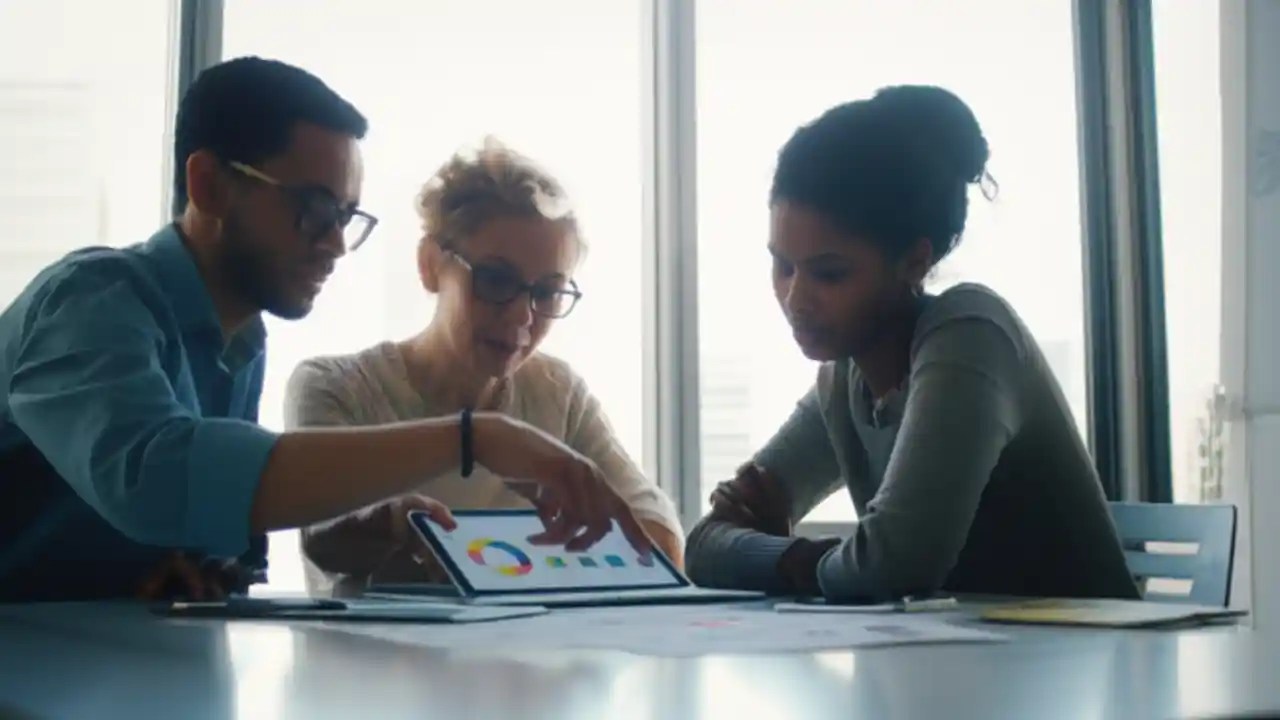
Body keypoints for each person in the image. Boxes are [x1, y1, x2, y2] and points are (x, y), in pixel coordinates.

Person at [0, 57, 650, 603]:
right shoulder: (91, 301)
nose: (338, 245)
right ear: (209, 185)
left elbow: (186, 535)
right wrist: (473, 438)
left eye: (346, 216)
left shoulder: (240, 346)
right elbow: (156, 477)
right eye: (314, 210)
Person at [684, 86, 1139, 603]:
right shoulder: (843, 381)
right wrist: (811, 561)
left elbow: (891, 568)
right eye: (782, 265)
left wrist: (784, 557)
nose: (795, 298)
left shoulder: (970, 338)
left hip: (1087, 670)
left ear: (914, 263)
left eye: (829, 274)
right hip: (960, 671)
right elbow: (702, 547)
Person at [285, 139, 683, 597]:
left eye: (548, 293)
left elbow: (659, 541)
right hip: (369, 664)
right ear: (430, 265)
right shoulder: (336, 388)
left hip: (520, 664)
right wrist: (396, 526)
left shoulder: (558, 393)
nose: (521, 317)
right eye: (495, 279)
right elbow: (324, 536)